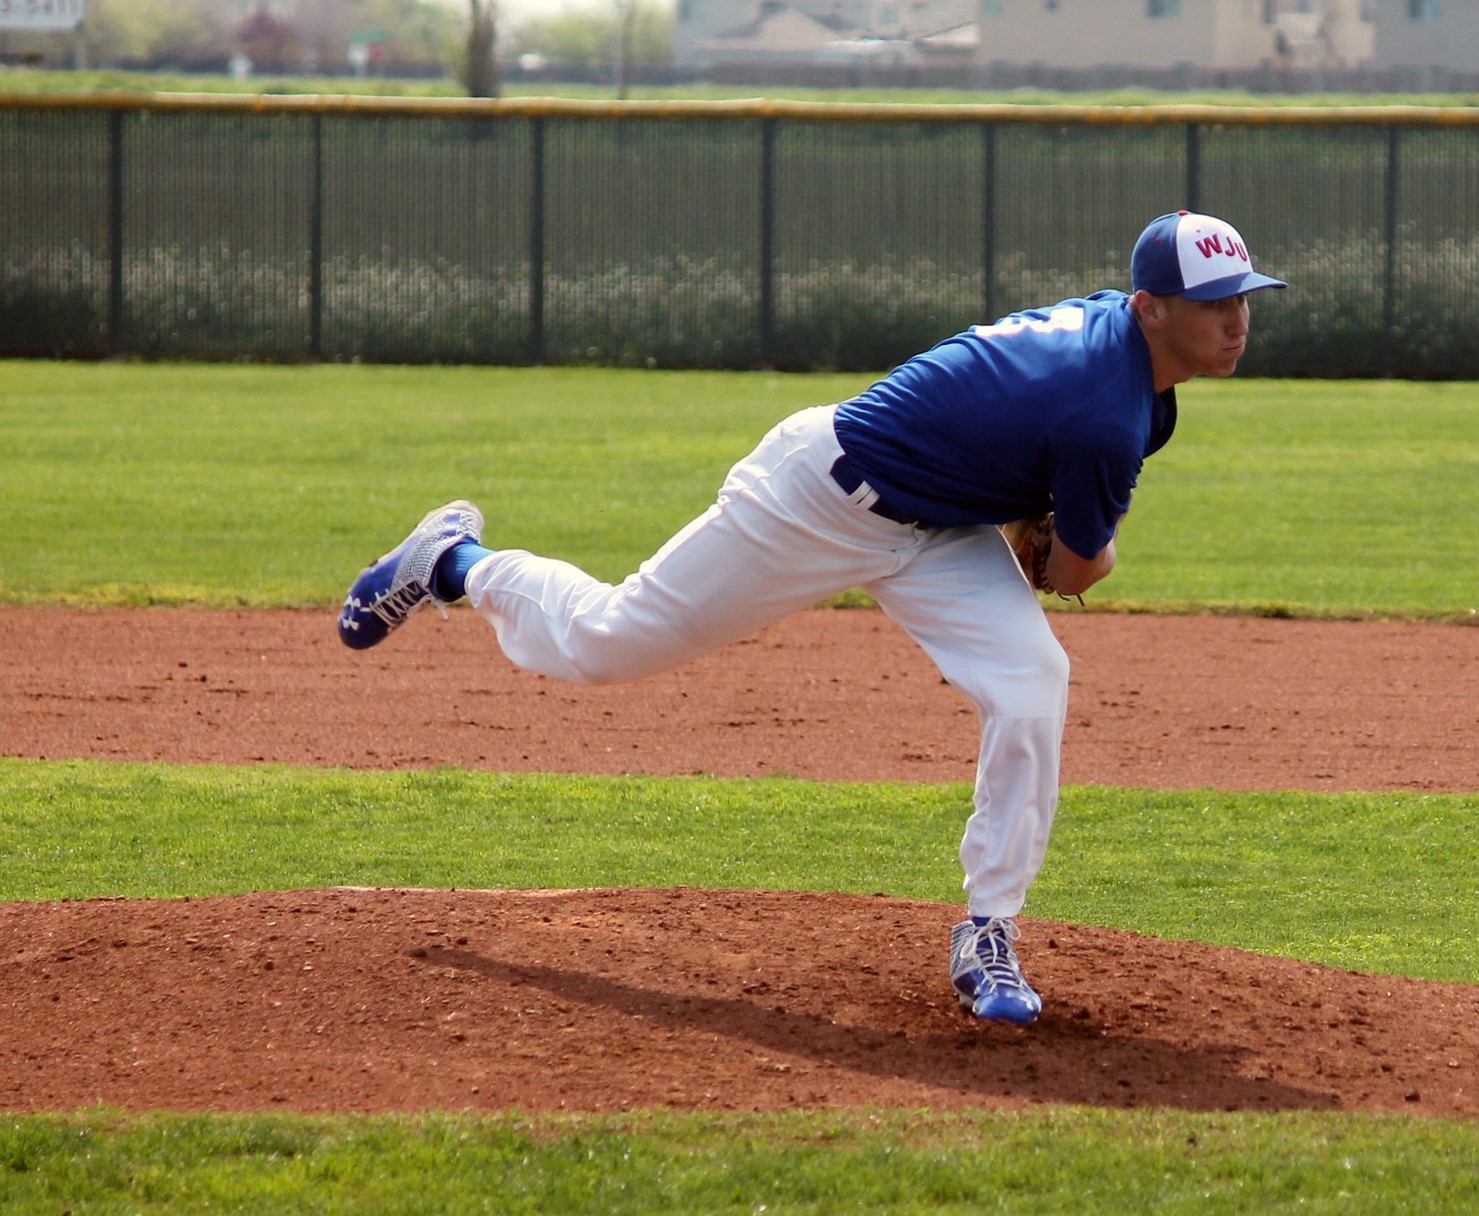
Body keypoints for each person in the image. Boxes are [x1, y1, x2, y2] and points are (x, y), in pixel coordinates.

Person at [336, 210, 1285, 1026]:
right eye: (1214, 303)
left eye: (1243, 298)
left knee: (1033, 677)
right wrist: (1084, 544)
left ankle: (988, 930)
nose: (1237, 321)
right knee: (607, 641)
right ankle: (453, 561)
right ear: (1149, 308)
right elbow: (1072, 571)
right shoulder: (1105, 412)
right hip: (818, 497)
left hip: (937, 527)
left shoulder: (1126, 364)